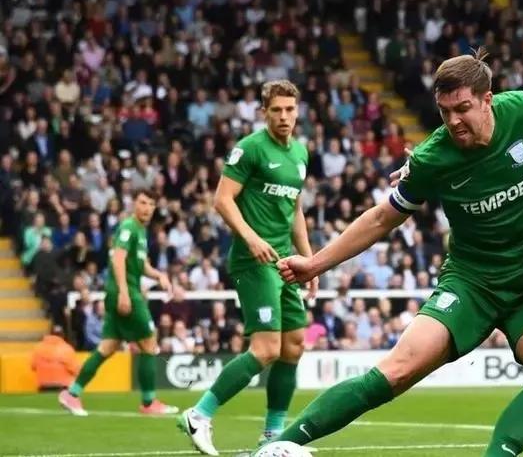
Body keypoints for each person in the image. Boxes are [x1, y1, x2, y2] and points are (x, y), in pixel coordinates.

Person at [269, 52, 523, 457]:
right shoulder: (433, 158)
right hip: (471, 283)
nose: (453, 122)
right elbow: (382, 219)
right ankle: (281, 447)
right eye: (444, 111)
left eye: (463, 108)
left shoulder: (518, 109)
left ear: (488, 99)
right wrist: (314, 264)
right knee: (395, 373)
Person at [178, 80, 318, 456]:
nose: (284, 116)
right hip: (253, 261)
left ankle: (273, 436)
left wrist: (311, 259)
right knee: (267, 348)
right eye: (277, 110)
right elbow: (222, 200)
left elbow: (296, 211)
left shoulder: (301, 154)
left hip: (286, 262)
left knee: (293, 346)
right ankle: (199, 414)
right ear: (264, 112)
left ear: (297, 110)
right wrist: (251, 238)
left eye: (290, 109)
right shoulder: (250, 148)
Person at [57, 189, 176, 416]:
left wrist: (159, 275)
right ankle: (149, 403)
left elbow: (141, 265)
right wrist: (123, 292)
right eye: (143, 202)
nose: (147, 208)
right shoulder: (129, 227)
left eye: (151, 204)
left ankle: (71, 394)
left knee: (108, 347)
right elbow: (118, 259)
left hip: (123, 290)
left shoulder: (141, 231)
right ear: (134, 204)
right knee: (149, 343)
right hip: (126, 291)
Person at [32, 325, 79, 391]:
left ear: (50, 334)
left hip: (43, 386)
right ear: (63, 335)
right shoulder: (67, 349)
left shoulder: (38, 347)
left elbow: (33, 366)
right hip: (62, 387)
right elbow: (75, 370)